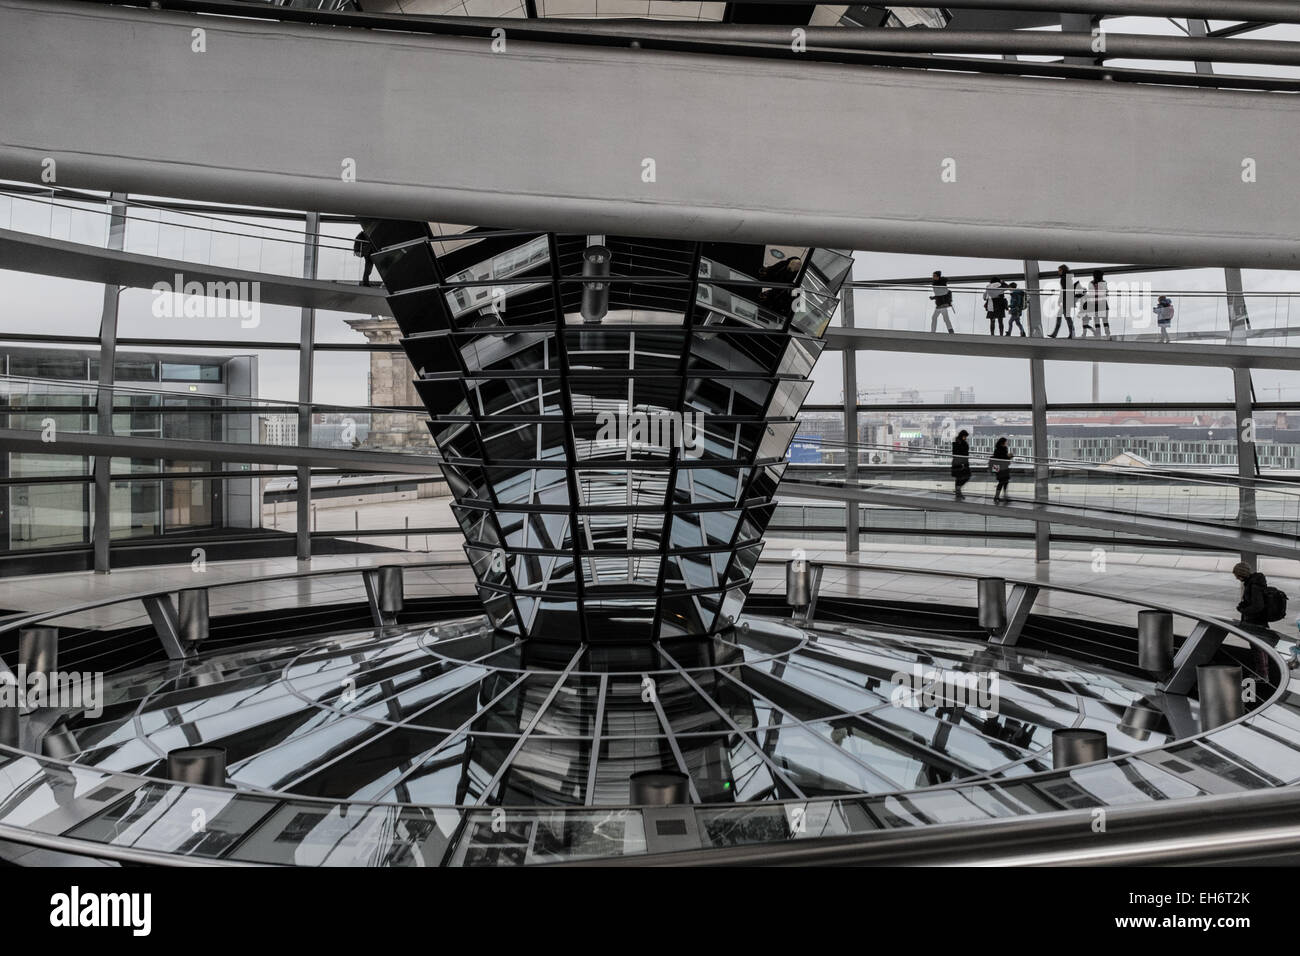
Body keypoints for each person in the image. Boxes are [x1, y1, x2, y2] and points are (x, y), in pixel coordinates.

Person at [1049, 264, 1078, 339]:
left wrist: (1060, 300)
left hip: (1067, 300)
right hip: (1067, 299)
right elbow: (1065, 290)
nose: (1058, 271)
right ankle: (1058, 333)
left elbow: (1065, 290)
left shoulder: (1065, 278)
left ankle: (1071, 333)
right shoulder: (1066, 277)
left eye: (1059, 270)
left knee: (1066, 317)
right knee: (1064, 316)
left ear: (1063, 270)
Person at [1082, 270, 1111, 338]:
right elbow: (1106, 292)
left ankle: (1099, 335)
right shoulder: (1104, 282)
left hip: (1095, 304)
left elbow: (1091, 294)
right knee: (1105, 321)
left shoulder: (1091, 283)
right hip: (1102, 304)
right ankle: (1108, 335)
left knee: (1097, 321)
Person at [990, 437, 1012, 502]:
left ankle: (999, 496)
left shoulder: (997, 449)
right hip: (1003, 468)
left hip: (999, 468)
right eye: (1005, 442)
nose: (1006, 443)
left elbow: (999, 458)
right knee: (1003, 482)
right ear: (1003, 443)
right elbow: (1004, 458)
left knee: (1003, 482)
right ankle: (999, 497)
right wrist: (1009, 456)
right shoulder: (1003, 449)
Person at [951, 429, 971, 499]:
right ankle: (958, 492)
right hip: (960, 463)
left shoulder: (960, 442)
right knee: (962, 477)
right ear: (962, 436)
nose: (965, 438)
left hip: (961, 462)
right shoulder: (958, 443)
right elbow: (957, 453)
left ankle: (958, 491)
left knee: (960, 478)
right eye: (965, 436)